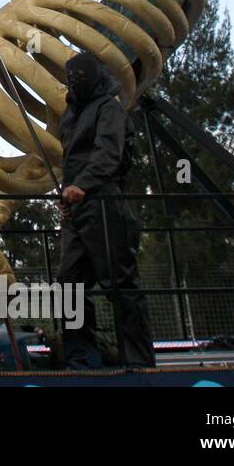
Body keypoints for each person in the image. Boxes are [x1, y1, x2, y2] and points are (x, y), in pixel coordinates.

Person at [56, 52, 155, 369]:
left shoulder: (109, 108)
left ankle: (138, 360)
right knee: (68, 284)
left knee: (120, 284)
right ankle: (81, 354)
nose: (75, 83)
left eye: (81, 78)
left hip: (105, 203)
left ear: (95, 77)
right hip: (77, 208)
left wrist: (81, 185)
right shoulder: (69, 116)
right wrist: (68, 191)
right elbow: (73, 158)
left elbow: (108, 153)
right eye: (71, 78)